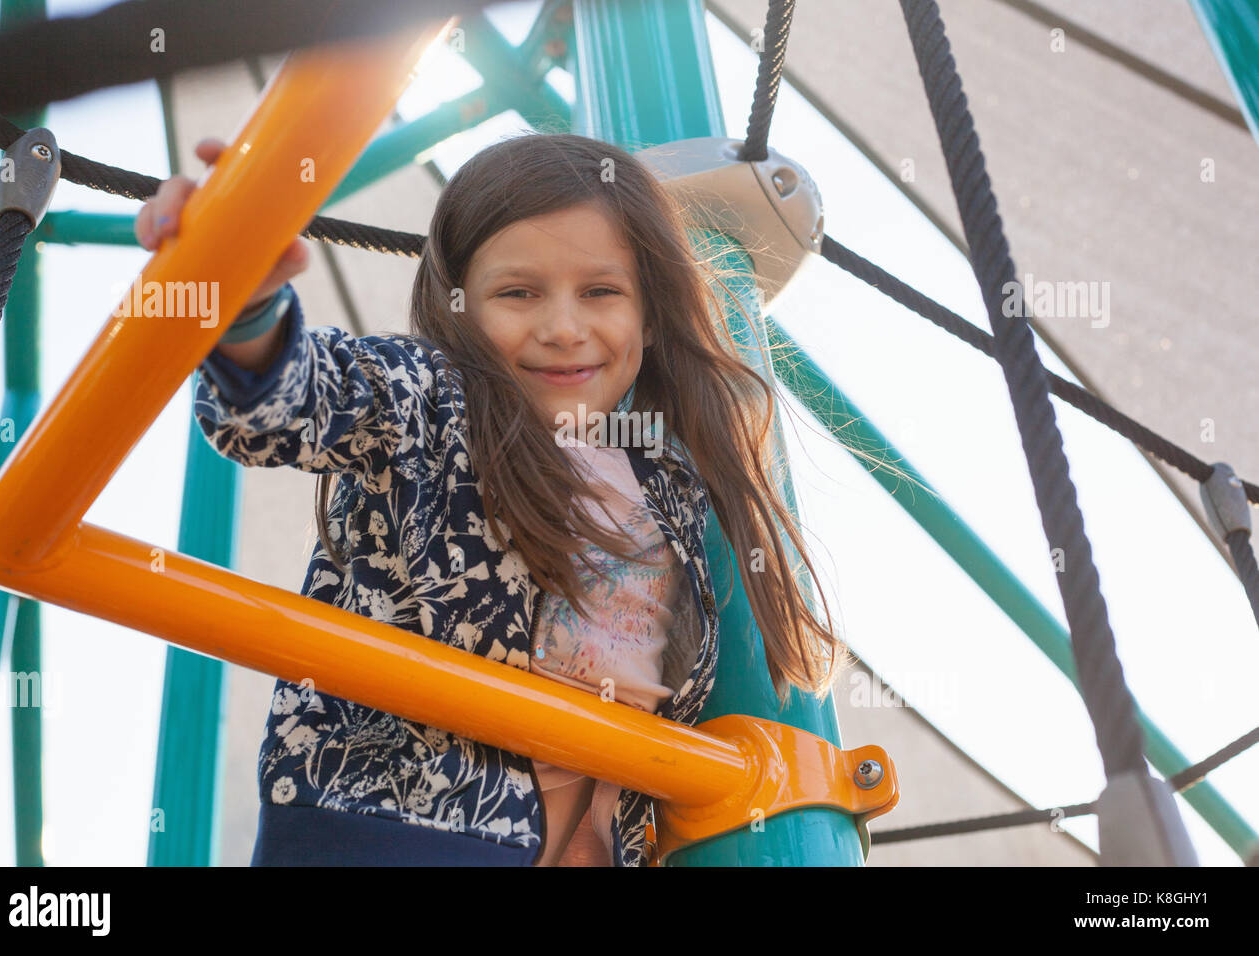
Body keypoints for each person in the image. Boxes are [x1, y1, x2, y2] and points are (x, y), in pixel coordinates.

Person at [134, 130, 846, 866]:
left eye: (601, 292)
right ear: (459, 309)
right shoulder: (430, 403)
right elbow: (288, 405)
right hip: (401, 838)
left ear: (649, 314)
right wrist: (244, 303)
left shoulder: (670, 479)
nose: (564, 328)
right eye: (518, 293)